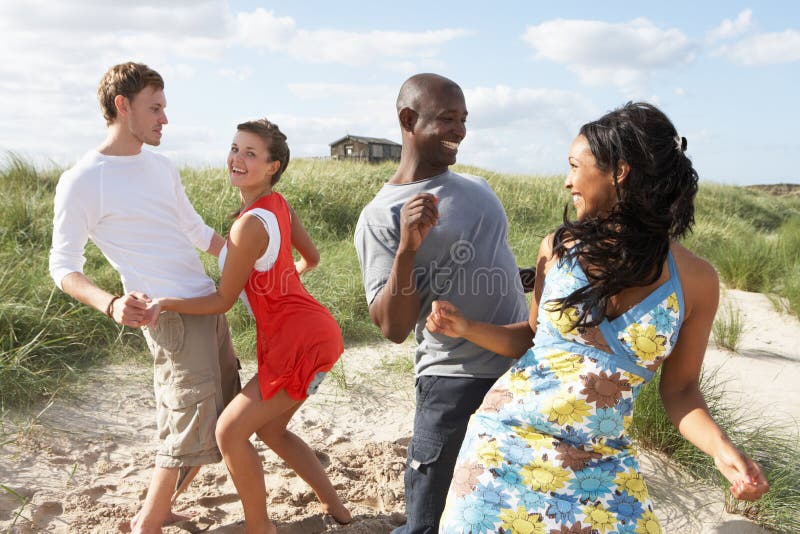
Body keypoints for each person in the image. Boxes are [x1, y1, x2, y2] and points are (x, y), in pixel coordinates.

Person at [430, 102, 770, 533]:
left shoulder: (697, 280)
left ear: (620, 172)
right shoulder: (557, 248)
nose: (568, 180)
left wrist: (723, 451)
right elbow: (534, 340)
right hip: (505, 445)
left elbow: (681, 390)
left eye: (575, 166)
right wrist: (467, 328)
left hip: (602, 464)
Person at [48, 62, 241, 533]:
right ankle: (148, 524)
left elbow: (196, 232)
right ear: (122, 106)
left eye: (164, 108)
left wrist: (252, 261)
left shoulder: (161, 166)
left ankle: (160, 507)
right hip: (169, 319)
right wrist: (111, 303)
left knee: (223, 417)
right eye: (155, 108)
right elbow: (62, 266)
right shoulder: (83, 180)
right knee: (186, 428)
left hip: (207, 304)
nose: (164, 119)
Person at [146, 118, 351, 533]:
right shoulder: (279, 207)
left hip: (298, 342)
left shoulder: (249, 225)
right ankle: (338, 508)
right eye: (236, 148)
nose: (237, 159)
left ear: (272, 166)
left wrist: (166, 301)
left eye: (251, 153)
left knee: (229, 432)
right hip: (315, 332)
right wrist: (279, 286)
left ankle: (260, 527)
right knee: (273, 431)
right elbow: (310, 259)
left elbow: (222, 300)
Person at [353, 73, 530, 533]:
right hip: (451, 383)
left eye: (463, 119)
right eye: (447, 119)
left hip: (518, 375)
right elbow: (391, 327)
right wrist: (407, 249)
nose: (459, 130)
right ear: (408, 120)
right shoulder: (381, 217)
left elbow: (494, 267)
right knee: (428, 521)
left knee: (501, 512)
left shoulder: (480, 188)